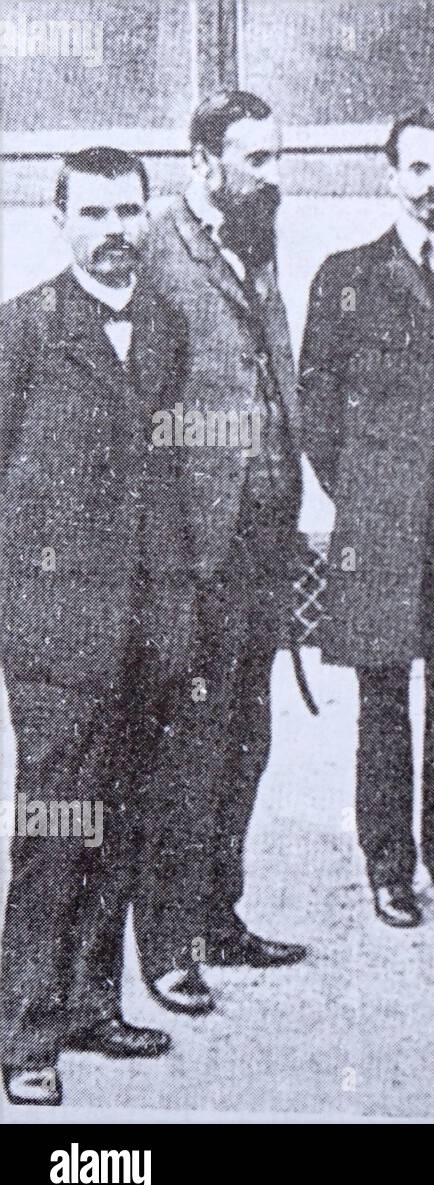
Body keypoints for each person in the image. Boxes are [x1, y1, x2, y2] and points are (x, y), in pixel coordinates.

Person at [300, 107, 434, 924]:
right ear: (390, 173)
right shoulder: (345, 273)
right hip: (383, 526)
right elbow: (315, 405)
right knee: (384, 695)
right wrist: (365, 491)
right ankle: (389, 866)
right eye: (419, 168)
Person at [0, 149, 187, 1105]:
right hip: (55, 641)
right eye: (97, 213)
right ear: (60, 216)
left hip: (144, 634)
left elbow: (166, 488)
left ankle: (89, 1003)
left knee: (119, 828)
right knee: (54, 830)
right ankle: (25, 1032)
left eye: (130, 211)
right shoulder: (20, 333)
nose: (116, 231)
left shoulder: (163, 327)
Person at [136, 90, 308, 1010]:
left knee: (247, 736)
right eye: (256, 159)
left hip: (262, 537)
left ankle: (218, 914)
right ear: (205, 162)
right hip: (194, 544)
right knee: (186, 747)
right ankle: (167, 945)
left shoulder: (256, 232)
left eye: (277, 157)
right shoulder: (159, 244)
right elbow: (140, 408)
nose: (272, 175)